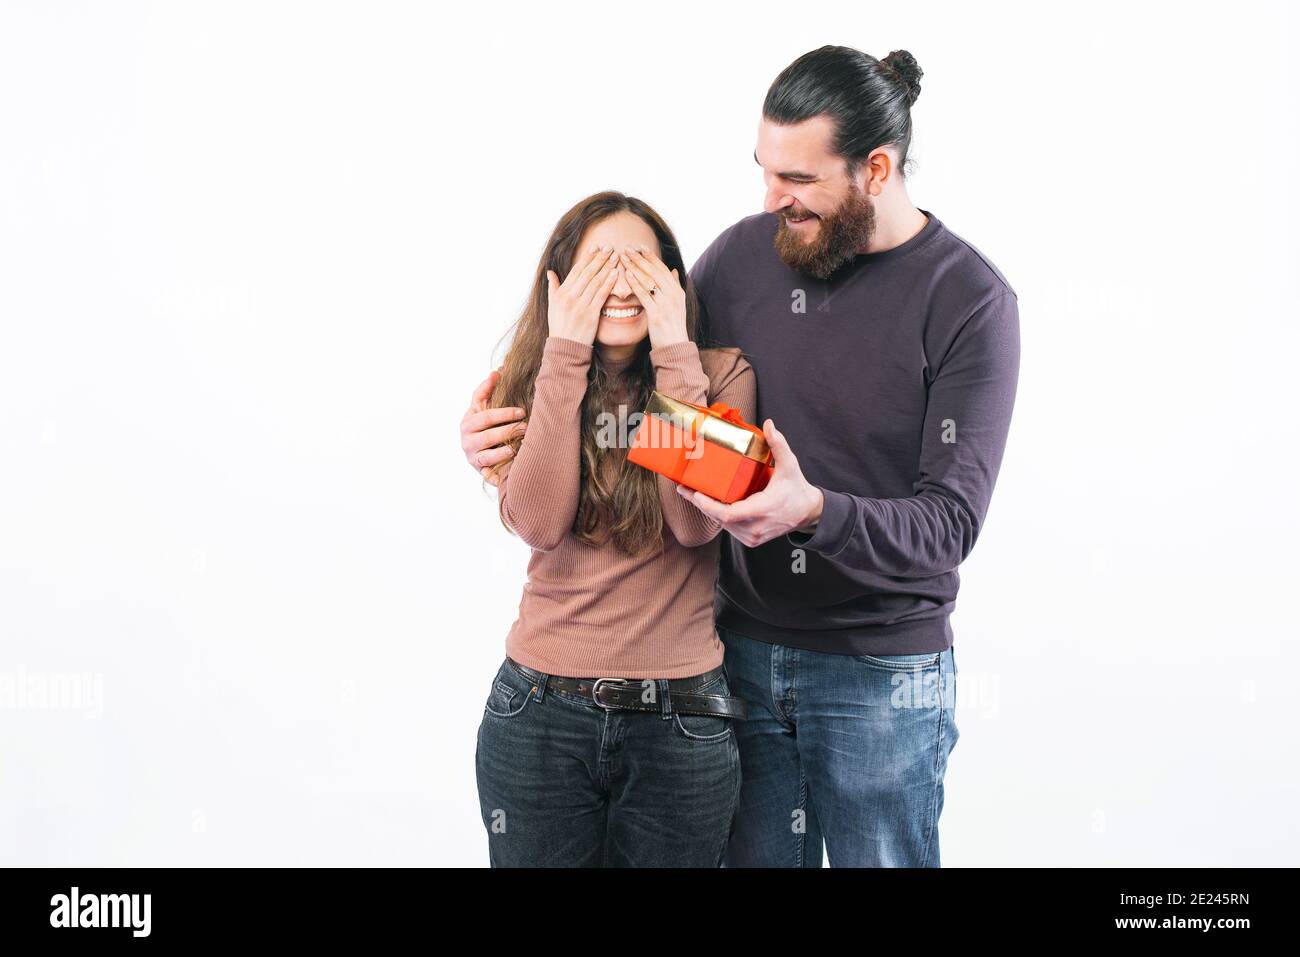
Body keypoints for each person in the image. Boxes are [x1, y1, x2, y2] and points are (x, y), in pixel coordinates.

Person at [461, 46, 1020, 867]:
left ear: (875, 168)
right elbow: (649, 387)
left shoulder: (969, 300)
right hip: (738, 661)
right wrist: (495, 428)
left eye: (797, 179)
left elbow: (949, 525)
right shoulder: (741, 257)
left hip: (882, 672)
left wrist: (815, 511)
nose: (771, 199)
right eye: (764, 170)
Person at [467, 191, 758, 867]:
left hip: (682, 718)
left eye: (641, 267)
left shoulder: (722, 374)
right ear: (560, 287)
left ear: (675, 282)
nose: (621, 284)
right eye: (599, 267)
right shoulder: (529, 382)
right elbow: (539, 524)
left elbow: (693, 523)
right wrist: (563, 355)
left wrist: (676, 348)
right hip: (538, 710)